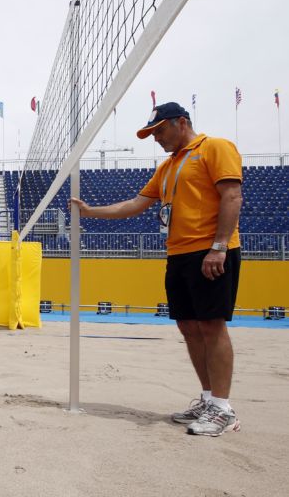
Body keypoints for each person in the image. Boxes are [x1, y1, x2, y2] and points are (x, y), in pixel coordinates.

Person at [70, 102, 243, 437]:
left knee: (212, 326)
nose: (156, 138)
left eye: (160, 130)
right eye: (152, 133)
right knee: (189, 327)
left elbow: (232, 196)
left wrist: (219, 247)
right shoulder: (168, 167)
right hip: (178, 253)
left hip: (209, 250)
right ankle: (208, 399)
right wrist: (90, 211)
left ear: (182, 123)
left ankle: (223, 408)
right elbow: (136, 204)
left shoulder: (215, 147)